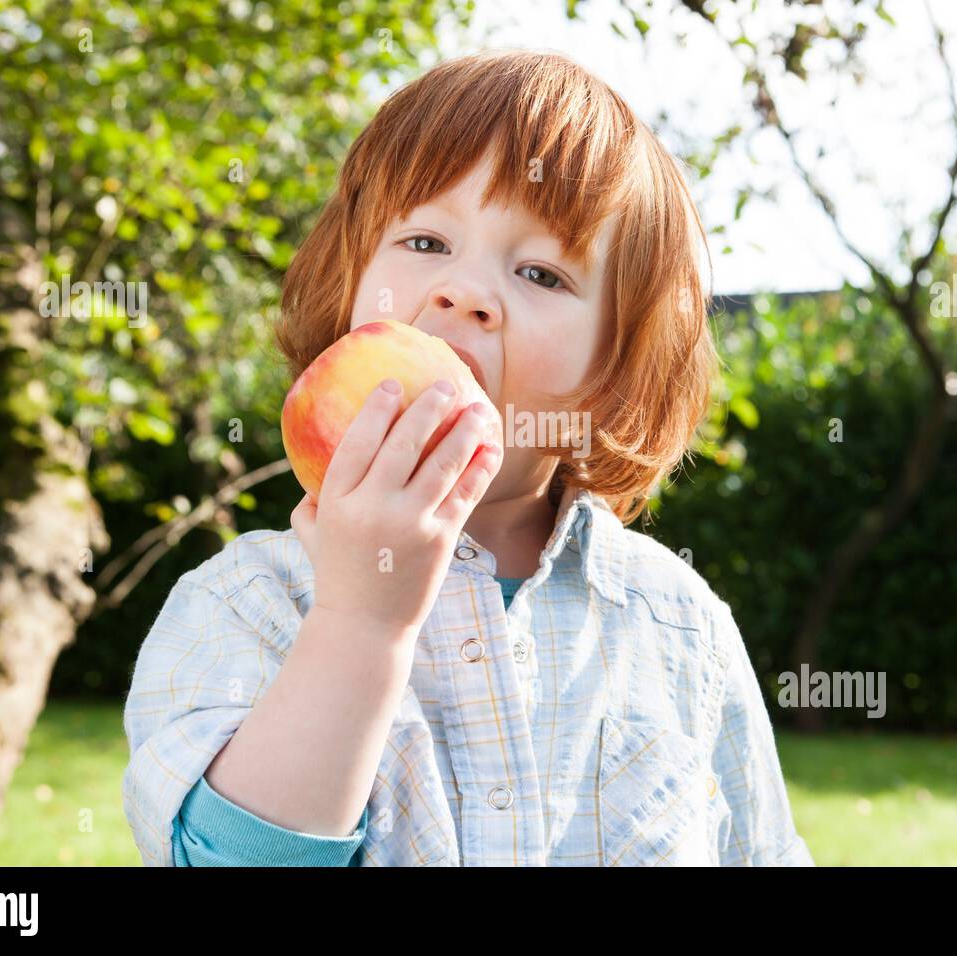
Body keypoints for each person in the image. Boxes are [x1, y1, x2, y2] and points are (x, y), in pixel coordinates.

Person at [122, 48, 812, 867]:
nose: (465, 291)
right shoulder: (245, 606)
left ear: (615, 369)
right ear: (350, 287)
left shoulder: (678, 628)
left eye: (540, 272)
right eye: (423, 240)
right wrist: (360, 621)